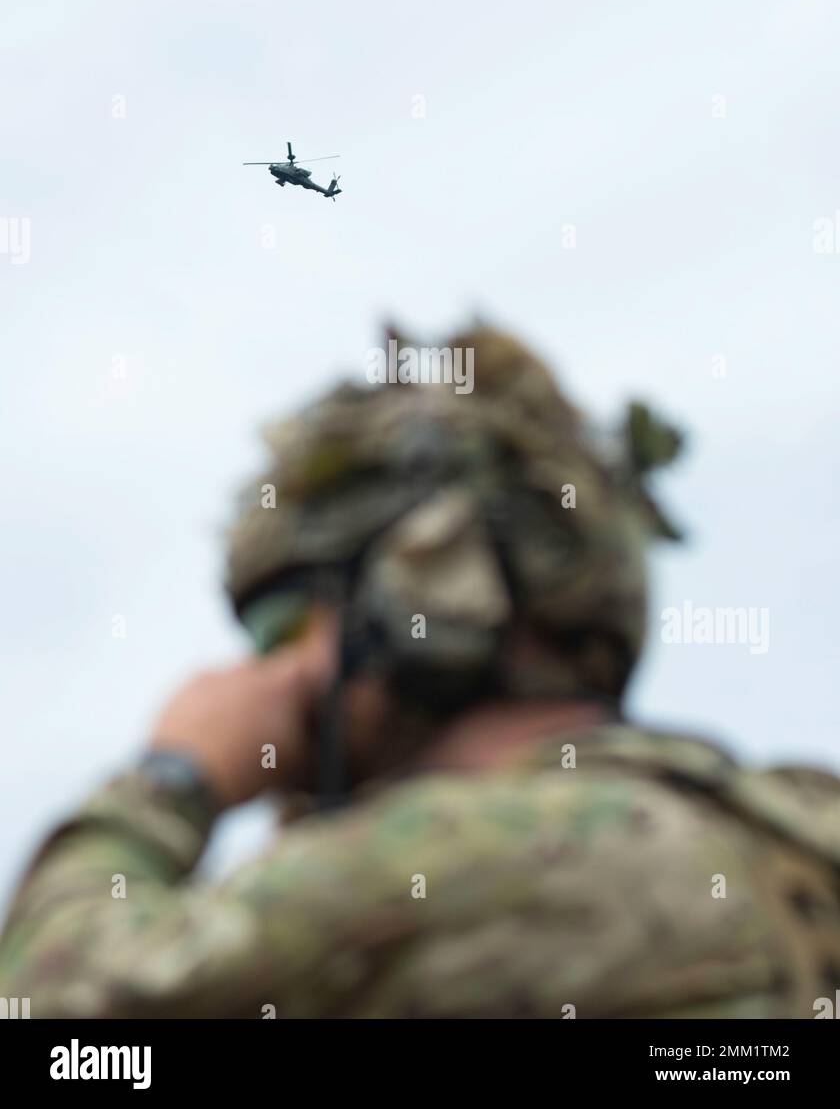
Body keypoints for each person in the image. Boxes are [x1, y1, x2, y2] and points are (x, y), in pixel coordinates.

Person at [1, 324, 839, 1019]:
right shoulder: (794, 832)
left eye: (290, 624)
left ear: (426, 588)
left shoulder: (439, 860)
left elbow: (63, 1019)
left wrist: (170, 781)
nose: (273, 669)